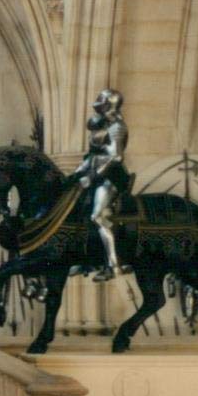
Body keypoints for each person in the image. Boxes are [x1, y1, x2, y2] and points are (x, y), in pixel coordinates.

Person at [73, 88, 131, 278]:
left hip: (111, 177)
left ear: (109, 105)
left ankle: (114, 266)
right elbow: (92, 155)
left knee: (97, 217)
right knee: (78, 211)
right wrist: (76, 173)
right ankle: (86, 261)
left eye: (102, 101)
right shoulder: (100, 125)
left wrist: (92, 177)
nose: (98, 104)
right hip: (94, 174)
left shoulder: (117, 127)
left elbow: (116, 157)